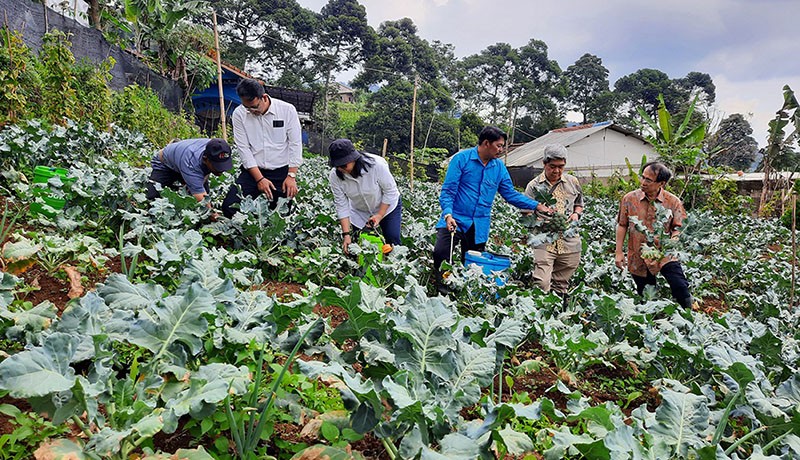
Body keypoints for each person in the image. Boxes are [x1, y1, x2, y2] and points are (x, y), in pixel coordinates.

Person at [432, 126, 553, 293]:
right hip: (455, 218)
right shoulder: (462, 159)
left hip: (479, 224)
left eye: (502, 146)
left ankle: (467, 295)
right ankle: (442, 291)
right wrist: (448, 215)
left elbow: (510, 194)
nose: (501, 150)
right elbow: (448, 191)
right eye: (499, 146)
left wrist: (536, 205)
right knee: (441, 253)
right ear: (486, 143)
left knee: (474, 265)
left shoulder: (499, 168)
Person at [615, 161, 695, 308]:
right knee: (646, 295)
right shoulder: (629, 199)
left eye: (648, 180)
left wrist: (674, 239)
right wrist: (618, 252)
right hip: (638, 254)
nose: (643, 182)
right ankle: (654, 319)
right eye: (642, 177)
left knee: (680, 286)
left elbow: (679, 228)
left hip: (664, 253)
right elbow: (622, 225)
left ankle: (689, 316)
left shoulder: (673, 202)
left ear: (661, 183)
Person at [222, 78, 302, 218]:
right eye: (247, 107)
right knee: (229, 207)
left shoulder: (287, 110)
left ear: (264, 97)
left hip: (280, 172)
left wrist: (291, 176)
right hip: (253, 172)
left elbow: (295, 144)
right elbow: (244, 149)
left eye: (254, 106)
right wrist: (259, 179)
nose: (251, 111)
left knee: (281, 215)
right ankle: (247, 230)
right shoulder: (239, 114)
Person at [524, 144, 584, 297]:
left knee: (562, 283)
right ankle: (541, 307)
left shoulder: (573, 182)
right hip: (544, 240)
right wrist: (541, 220)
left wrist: (576, 214)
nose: (557, 171)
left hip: (569, 241)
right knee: (542, 283)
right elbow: (526, 214)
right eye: (552, 166)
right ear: (544, 164)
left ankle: (558, 307)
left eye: (561, 167)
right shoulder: (533, 186)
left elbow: (579, 204)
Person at [327, 139, 402, 254]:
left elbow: (390, 191)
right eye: (337, 166)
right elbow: (341, 205)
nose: (340, 169)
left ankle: (394, 263)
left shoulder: (376, 165)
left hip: (387, 207)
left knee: (392, 241)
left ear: (353, 159)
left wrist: (379, 215)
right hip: (360, 212)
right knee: (360, 247)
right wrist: (346, 235)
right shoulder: (335, 176)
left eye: (343, 165)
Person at [146, 138, 233, 213]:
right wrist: (212, 214)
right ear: (205, 159)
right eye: (217, 166)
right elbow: (201, 198)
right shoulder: (191, 164)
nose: (222, 170)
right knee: (152, 199)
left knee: (203, 196)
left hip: (184, 160)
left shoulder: (216, 147)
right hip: (165, 164)